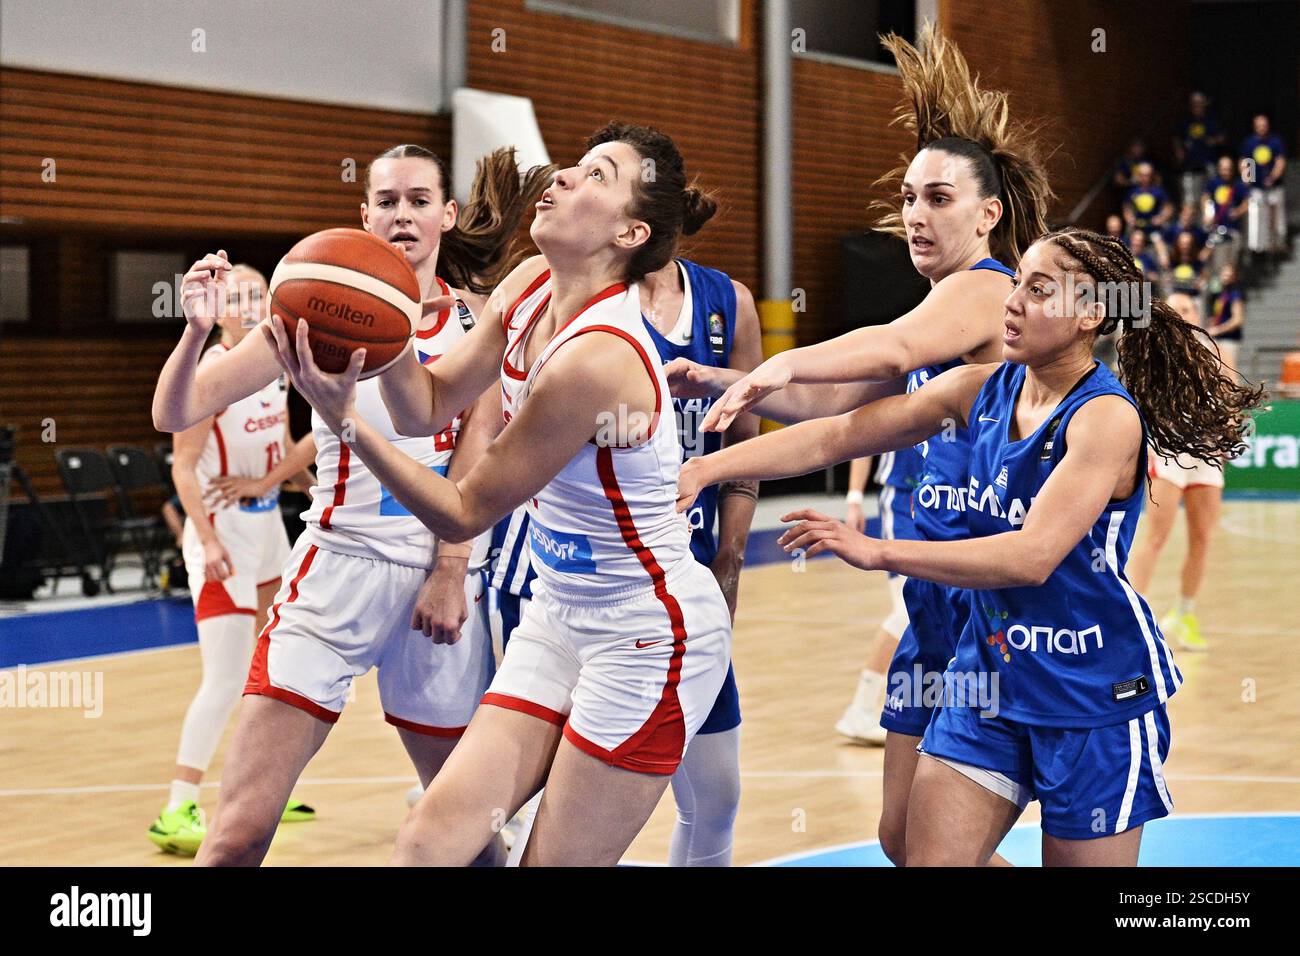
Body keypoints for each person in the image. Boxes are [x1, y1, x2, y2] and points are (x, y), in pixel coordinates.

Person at [679, 227, 1264, 866]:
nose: (1011, 302)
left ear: (1089, 314)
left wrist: (879, 550)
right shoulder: (977, 389)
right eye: (1016, 284)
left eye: (1038, 291)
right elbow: (836, 436)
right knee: (920, 852)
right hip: (986, 676)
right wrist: (705, 469)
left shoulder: (1106, 417)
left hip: (1093, 692)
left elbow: (1029, 557)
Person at [273, 121, 734, 867]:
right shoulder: (524, 288)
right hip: (559, 614)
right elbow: (427, 404)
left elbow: (463, 509)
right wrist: (388, 318)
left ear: (629, 230)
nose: (562, 178)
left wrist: (345, 424)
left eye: (595, 175)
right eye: (571, 166)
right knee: (429, 844)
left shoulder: (598, 359)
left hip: (647, 634)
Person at [666, 26, 1053, 865]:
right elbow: (833, 420)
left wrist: (772, 367)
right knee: (899, 836)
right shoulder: (935, 314)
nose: (916, 213)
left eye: (939, 198)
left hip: (994, 608)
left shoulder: (988, 294)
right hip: (929, 600)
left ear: (989, 214)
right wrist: (717, 398)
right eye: (910, 197)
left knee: (937, 847)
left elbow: (888, 349)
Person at [152, 146, 551, 866]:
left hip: (441, 578)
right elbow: (176, 408)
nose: (403, 214)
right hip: (337, 567)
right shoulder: (311, 311)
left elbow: (479, 446)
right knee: (236, 836)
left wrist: (449, 572)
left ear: (447, 215)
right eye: (388, 201)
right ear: (363, 215)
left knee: (467, 840)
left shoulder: (480, 320)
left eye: (420, 200)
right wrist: (194, 334)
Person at [483, 249, 764, 867]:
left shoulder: (727, 303)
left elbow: (749, 439)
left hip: (673, 598)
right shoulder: (568, 297)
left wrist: (732, 554)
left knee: (715, 796)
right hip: (561, 584)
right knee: (537, 814)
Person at [148, 264, 318, 855]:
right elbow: (181, 466)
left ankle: (262, 788)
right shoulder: (213, 372)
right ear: (219, 308)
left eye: (258, 293)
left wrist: (301, 483)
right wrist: (208, 540)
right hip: (220, 534)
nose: (249, 302)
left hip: (268, 529)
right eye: (239, 295)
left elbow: (291, 449)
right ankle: (177, 805)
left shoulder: (275, 371)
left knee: (271, 665)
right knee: (223, 677)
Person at [1126, 292, 1224, 651]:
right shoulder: (1153, 354)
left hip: (1206, 454)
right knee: (1156, 536)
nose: (1180, 313)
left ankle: (1184, 616)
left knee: (1203, 538)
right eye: (1174, 308)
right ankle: (1129, 619)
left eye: (1187, 308)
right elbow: (1137, 402)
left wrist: (1222, 441)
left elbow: (1225, 403)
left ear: (1196, 314)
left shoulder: (1215, 355)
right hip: (1167, 452)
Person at [833, 453, 913, 745]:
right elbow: (863, 435)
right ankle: (861, 709)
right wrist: (854, 498)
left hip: (946, 498)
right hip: (903, 499)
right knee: (907, 612)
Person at [1239, 113, 1288, 254]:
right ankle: (1257, 248)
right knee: (1256, 216)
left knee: (1276, 218)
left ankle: (1277, 246)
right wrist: (1247, 177)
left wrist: (1273, 177)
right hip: (1256, 187)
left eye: (1264, 125)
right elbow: (1245, 161)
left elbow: (1280, 161)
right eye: (1259, 125)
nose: (1262, 128)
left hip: (1274, 187)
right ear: (1255, 127)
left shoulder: (1275, 141)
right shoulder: (1249, 142)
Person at [1173, 92, 1225, 206]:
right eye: (1194, 104)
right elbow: (1177, 138)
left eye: (1199, 103)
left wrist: (1213, 140)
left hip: (1208, 163)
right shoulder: (1186, 121)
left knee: (1211, 195)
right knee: (1190, 198)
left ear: (1204, 104)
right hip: (1190, 164)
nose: (1197, 106)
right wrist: (1179, 151)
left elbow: (1222, 137)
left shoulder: (1210, 120)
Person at [1203, 155, 1250, 270]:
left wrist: (1237, 212)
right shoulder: (1213, 183)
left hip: (1233, 229)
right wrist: (1208, 213)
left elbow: (1247, 202)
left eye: (1229, 169)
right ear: (1219, 169)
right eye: (1224, 169)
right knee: (1217, 260)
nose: (1226, 172)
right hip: (1217, 228)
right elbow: (1205, 197)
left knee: (1232, 261)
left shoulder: (1238, 185)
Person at [1206, 262, 1245, 376]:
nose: (1225, 276)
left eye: (1229, 274)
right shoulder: (1220, 293)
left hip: (1229, 339)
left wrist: (1218, 329)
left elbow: (1237, 320)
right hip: (1217, 338)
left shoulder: (1235, 293)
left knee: (1227, 372)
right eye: (1224, 273)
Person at [1123, 162, 1173, 239]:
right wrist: (1130, 219)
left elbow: (1169, 208)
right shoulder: (1133, 191)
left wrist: (1161, 218)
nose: (1145, 178)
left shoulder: (1159, 191)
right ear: (1139, 176)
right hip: (1137, 228)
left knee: (1158, 241)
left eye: (1148, 175)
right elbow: (1126, 208)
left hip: (1154, 229)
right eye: (1142, 175)